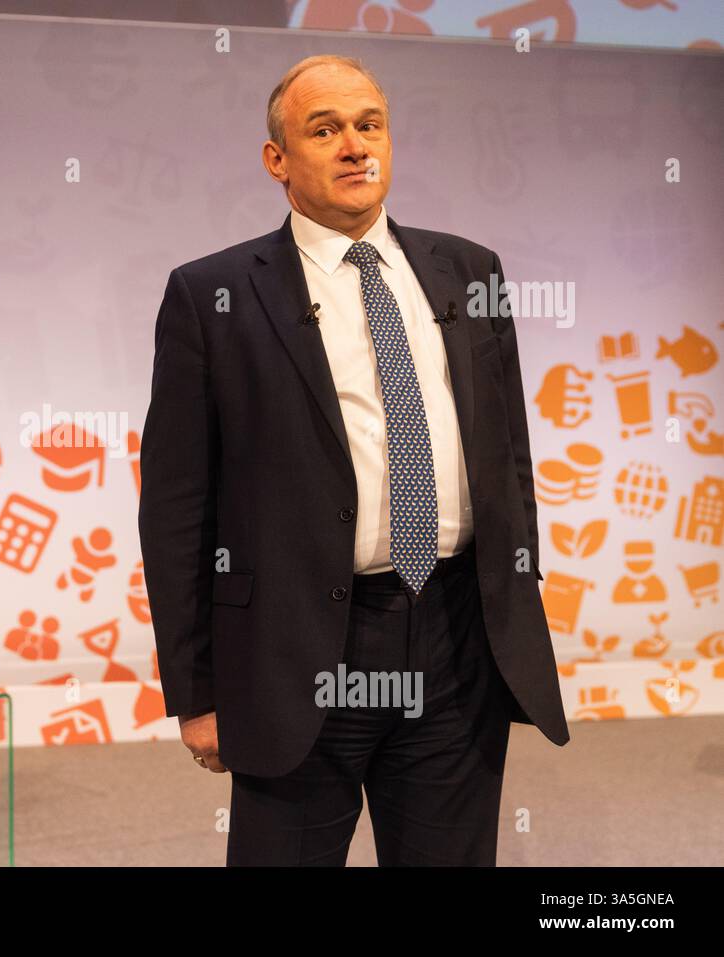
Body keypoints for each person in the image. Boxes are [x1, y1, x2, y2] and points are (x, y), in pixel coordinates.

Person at [137, 54, 569, 866]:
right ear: (278, 160)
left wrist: (515, 596)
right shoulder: (213, 293)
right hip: (295, 650)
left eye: (369, 125)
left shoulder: (469, 270)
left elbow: (509, 453)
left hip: (455, 640)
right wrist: (195, 693)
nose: (354, 146)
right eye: (324, 129)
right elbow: (175, 508)